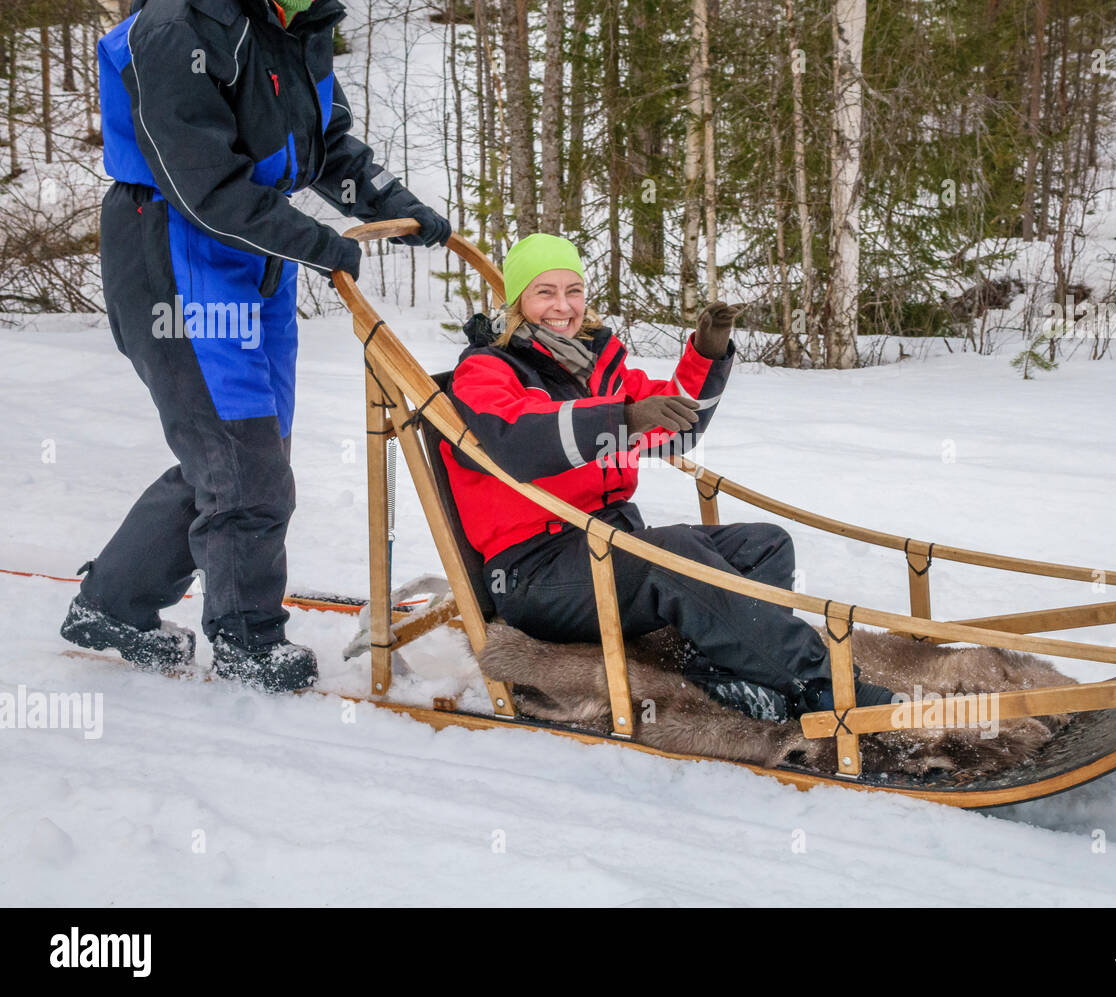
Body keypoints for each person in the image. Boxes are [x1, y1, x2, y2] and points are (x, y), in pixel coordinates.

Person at [59, 0, 451, 692]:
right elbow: (204, 187)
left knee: (244, 452)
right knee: (241, 460)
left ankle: (112, 604)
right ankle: (247, 640)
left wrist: (392, 203)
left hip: (254, 254)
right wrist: (322, 246)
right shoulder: (176, 29)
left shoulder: (297, 27)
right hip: (176, 246)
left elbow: (326, 146)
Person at [443, 234, 893, 721]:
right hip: (536, 573)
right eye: (545, 291)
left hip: (606, 544)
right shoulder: (487, 369)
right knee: (673, 554)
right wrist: (624, 417)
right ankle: (823, 687)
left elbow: (676, 429)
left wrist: (707, 352)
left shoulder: (596, 366)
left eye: (573, 290)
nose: (563, 305)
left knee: (765, 543)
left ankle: (724, 677)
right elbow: (520, 441)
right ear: (517, 302)